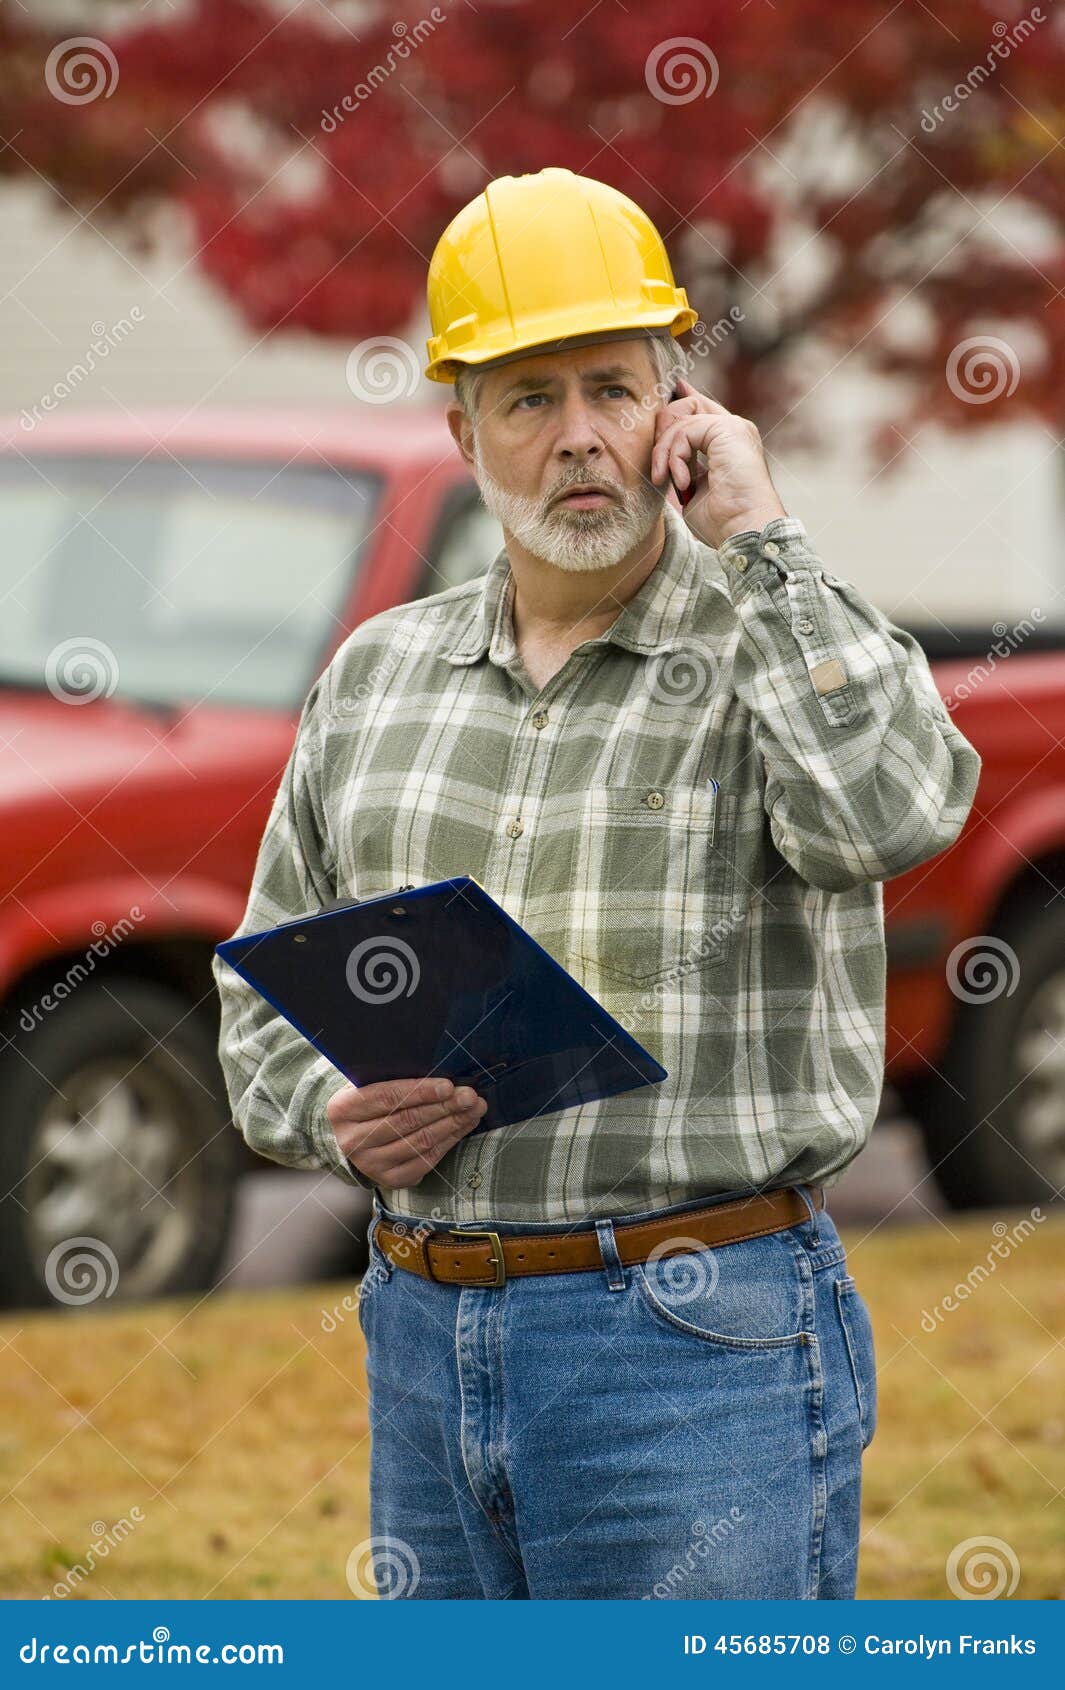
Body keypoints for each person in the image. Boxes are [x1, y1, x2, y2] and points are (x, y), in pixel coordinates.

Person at [212, 167, 982, 1600]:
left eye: (612, 389)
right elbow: (263, 982)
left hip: (697, 1347)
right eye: (527, 398)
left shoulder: (776, 640)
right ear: (462, 430)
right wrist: (325, 1111)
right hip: (423, 1343)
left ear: (675, 411)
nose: (577, 437)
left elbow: (893, 811)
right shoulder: (374, 679)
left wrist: (759, 536)